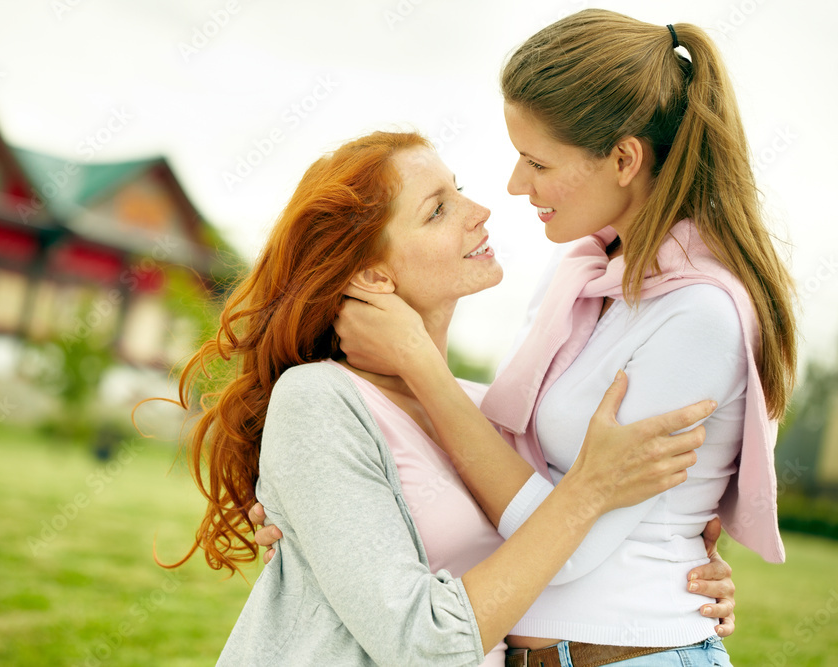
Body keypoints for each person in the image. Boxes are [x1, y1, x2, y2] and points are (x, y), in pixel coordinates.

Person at [312, 9, 795, 667]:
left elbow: (571, 545)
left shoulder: (697, 314)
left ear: (624, 158)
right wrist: (319, 482)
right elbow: (509, 432)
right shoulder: (584, 278)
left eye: (536, 161)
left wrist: (422, 366)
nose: (514, 185)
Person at [158, 130, 731, 666]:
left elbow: (554, 538)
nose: (479, 211)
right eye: (437, 210)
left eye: (458, 191)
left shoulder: (482, 413)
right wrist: (591, 490)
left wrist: (676, 568)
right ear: (372, 276)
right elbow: (420, 644)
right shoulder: (320, 400)